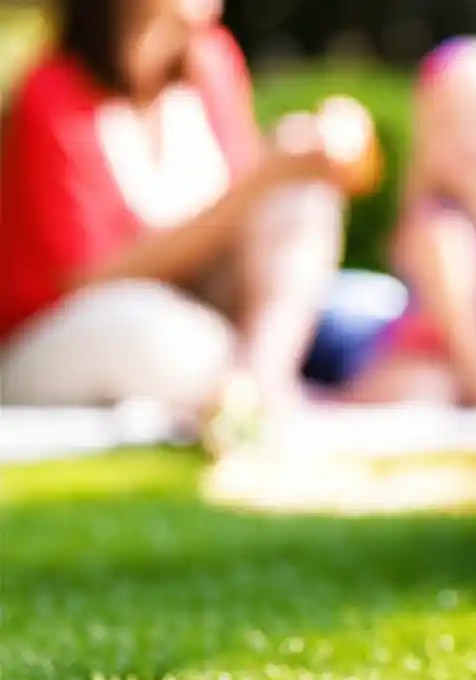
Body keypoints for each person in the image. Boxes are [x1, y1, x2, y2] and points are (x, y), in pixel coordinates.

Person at [0, 0, 371, 428]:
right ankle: (249, 394)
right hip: (63, 332)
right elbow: (88, 280)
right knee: (168, 339)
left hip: (211, 313)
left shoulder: (211, 61)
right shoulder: (53, 92)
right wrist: (261, 181)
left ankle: (260, 386)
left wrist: (316, 151)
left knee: (300, 195)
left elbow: (247, 217)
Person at [305, 36, 476, 409]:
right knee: (431, 388)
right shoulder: (439, 230)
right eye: (451, 123)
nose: (471, 140)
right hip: (373, 346)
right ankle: (315, 398)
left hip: (447, 349)